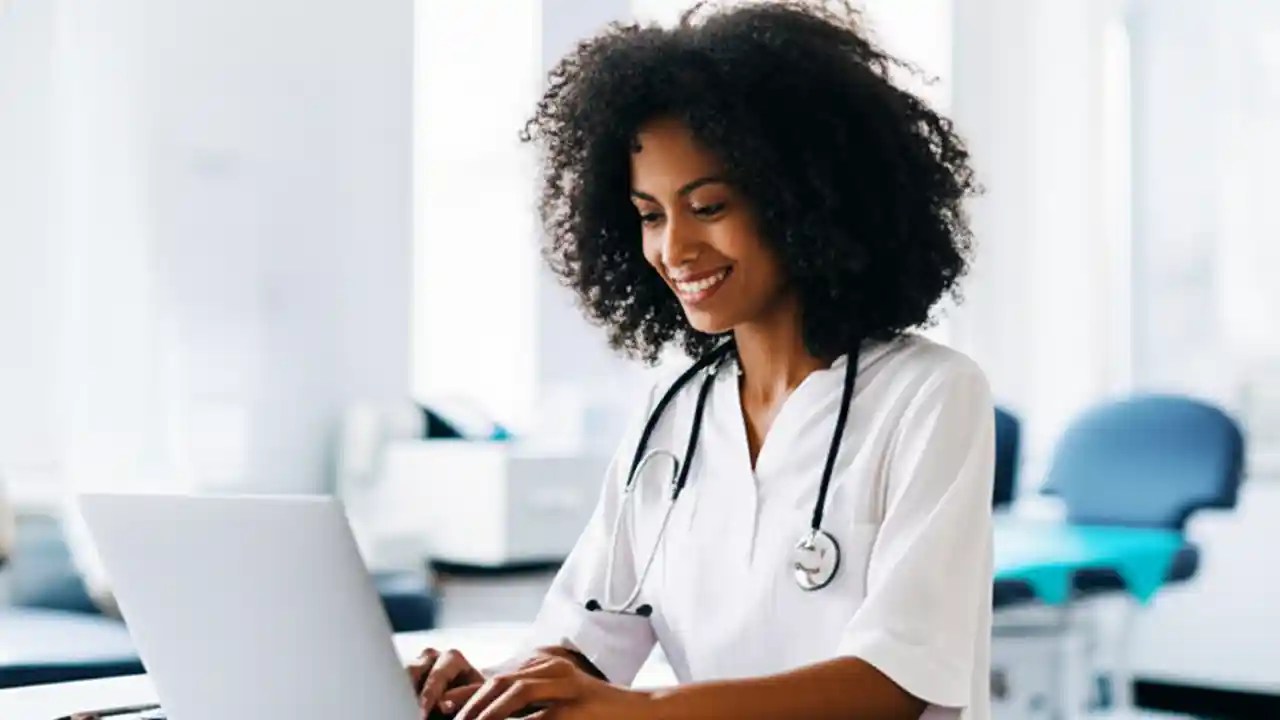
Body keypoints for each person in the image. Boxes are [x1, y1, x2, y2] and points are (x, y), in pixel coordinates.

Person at [410, 1, 993, 718]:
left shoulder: (929, 395)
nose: (674, 249)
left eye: (709, 207)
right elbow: (587, 644)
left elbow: (895, 682)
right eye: (650, 215)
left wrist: (643, 711)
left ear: (805, 201)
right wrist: (482, 688)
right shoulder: (674, 411)